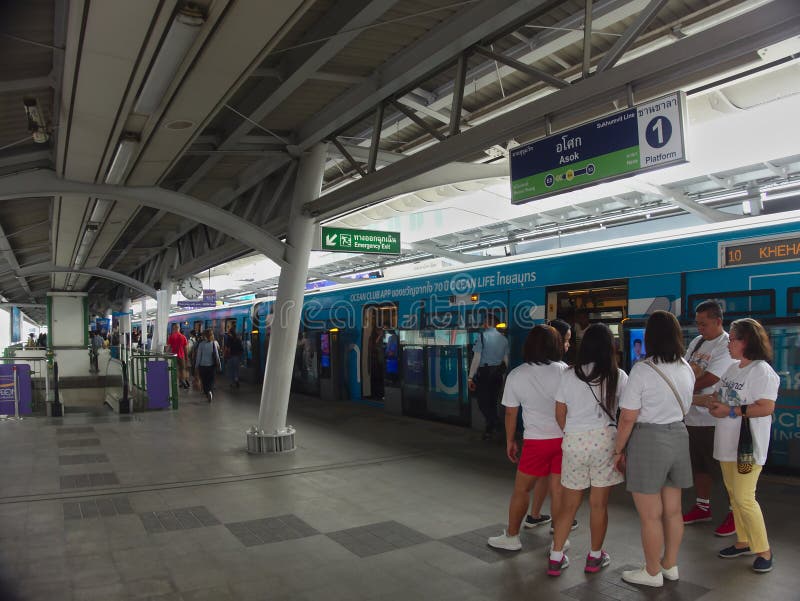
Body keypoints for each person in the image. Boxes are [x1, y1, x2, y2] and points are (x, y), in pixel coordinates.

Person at [614, 310, 695, 587]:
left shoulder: (643, 369)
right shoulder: (686, 367)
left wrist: (617, 449)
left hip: (649, 440)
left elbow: (627, 417)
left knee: (650, 515)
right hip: (679, 437)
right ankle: (669, 565)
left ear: (650, 337)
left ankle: (651, 572)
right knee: (673, 510)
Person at [549, 323, 627, 577]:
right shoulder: (619, 376)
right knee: (598, 504)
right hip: (605, 440)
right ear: (610, 347)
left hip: (573, 441)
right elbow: (626, 415)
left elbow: (560, 412)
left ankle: (556, 557)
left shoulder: (569, 375)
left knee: (569, 504)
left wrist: (571, 431)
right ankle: (594, 557)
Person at [707, 318, 779, 574]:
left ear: (747, 341)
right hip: (726, 444)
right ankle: (743, 541)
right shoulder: (732, 369)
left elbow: (766, 406)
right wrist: (714, 404)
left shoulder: (761, 371)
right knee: (734, 497)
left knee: (745, 498)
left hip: (747, 448)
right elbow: (718, 396)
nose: (729, 343)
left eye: (734, 338)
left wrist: (730, 410)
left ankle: (764, 550)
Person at [487, 325, 568, 551]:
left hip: (535, 442)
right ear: (556, 346)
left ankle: (512, 537)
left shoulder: (517, 374)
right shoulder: (565, 370)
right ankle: (560, 541)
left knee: (522, 490)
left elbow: (511, 412)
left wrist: (510, 440)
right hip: (564, 440)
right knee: (559, 491)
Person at [682, 300, 738, 537]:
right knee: (700, 466)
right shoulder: (698, 342)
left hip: (714, 419)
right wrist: (685, 383)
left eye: (704, 324)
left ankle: (736, 512)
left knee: (725, 470)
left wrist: (683, 387)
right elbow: (684, 370)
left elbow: (711, 378)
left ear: (718, 321)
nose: (699, 328)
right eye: (697, 323)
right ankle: (702, 506)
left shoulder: (726, 345)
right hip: (693, 418)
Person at [524, 319, 577, 532]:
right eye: (565, 340)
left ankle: (534, 515)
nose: (568, 345)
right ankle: (559, 522)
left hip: (536, 437)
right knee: (559, 483)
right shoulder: (564, 371)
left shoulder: (523, 372)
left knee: (542, 479)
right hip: (559, 436)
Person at [468, 313, 510, 440]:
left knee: (482, 403)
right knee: (492, 402)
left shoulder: (482, 336)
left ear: (487, 323)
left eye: (484, 322)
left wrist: (470, 377)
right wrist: (504, 376)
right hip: (497, 374)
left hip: (485, 373)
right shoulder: (504, 339)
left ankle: (496, 424)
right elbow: (506, 360)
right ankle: (489, 431)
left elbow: (477, 358)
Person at [195, 329, 221, 402]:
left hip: (202, 366)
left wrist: (196, 366)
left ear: (204, 335)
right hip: (211, 366)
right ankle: (210, 391)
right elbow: (217, 355)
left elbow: (198, 357)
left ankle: (207, 392)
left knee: (204, 381)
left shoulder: (201, 344)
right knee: (211, 381)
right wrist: (219, 365)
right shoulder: (214, 343)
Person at [167, 324, 190, 389]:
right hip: (181, 355)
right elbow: (185, 349)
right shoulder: (183, 337)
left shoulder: (171, 337)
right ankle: (182, 381)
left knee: (175, 369)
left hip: (173, 356)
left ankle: (179, 382)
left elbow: (168, 348)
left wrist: (166, 355)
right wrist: (187, 357)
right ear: (179, 328)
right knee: (182, 369)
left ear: (173, 329)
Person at [369, 327, 386, 400]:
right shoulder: (379, 338)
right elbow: (376, 346)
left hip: (382, 361)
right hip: (380, 361)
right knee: (380, 378)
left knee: (382, 378)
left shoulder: (384, 337)